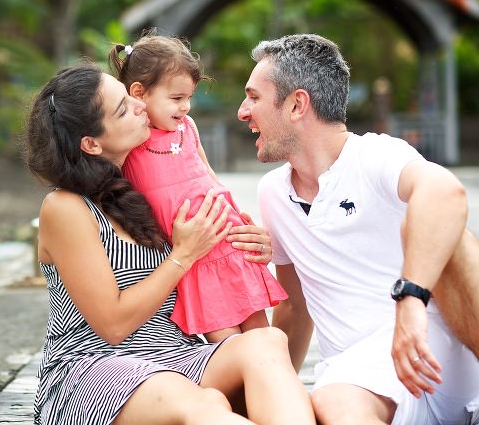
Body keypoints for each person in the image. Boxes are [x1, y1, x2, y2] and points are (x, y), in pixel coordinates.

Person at [25, 63, 315, 424]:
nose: (140, 106)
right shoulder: (65, 207)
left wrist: (245, 240)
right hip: (96, 367)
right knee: (203, 404)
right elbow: (113, 324)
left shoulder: (146, 188)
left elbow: (210, 209)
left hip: (178, 355)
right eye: (123, 108)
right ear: (91, 143)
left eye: (131, 96)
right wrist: (182, 255)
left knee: (266, 342)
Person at [237, 33, 479, 424]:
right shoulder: (272, 194)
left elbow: (448, 192)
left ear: (297, 104)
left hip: (448, 355)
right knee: (334, 401)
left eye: (253, 96)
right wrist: (269, 390)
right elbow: (295, 308)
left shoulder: (375, 156)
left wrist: (411, 301)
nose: (242, 111)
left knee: (455, 237)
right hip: (358, 380)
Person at [108, 34, 286, 343]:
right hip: (193, 256)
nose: (186, 107)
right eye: (177, 98)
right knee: (227, 343)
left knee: (260, 333)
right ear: (140, 93)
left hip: (228, 241)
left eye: (189, 97)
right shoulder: (131, 141)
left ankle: (268, 386)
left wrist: (237, 218)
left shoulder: (186, 129)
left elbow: (208, 175)